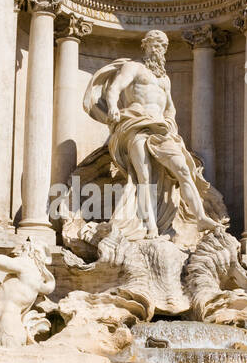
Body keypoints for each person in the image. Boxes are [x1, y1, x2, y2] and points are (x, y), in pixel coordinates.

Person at [83, 29, 221, 238]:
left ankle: (200, 217)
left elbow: (170, 108)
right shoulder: (134, 68)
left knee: (184, 170)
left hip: (161, 128)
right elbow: (114, 89)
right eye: (156, 45)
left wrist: (171, 123)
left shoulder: (164, 79)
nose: (160, 49)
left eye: (164, 46)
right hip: (135, 124)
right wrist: (112, 107)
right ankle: (151, 227)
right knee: (143, 177)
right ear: (145, 46)